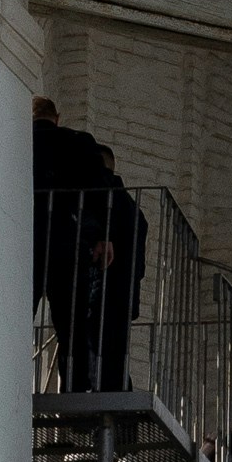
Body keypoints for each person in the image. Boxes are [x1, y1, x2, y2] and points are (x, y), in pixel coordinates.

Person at [29, 101, 148, 402]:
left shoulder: (14, 139)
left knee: (16, 320)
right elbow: (98, 191)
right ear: (57, 117)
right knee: (71, 329)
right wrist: (103, 236)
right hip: (68, 247)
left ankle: (5, 382)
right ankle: (75, 392)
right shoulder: (77, 143)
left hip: (22, 243)